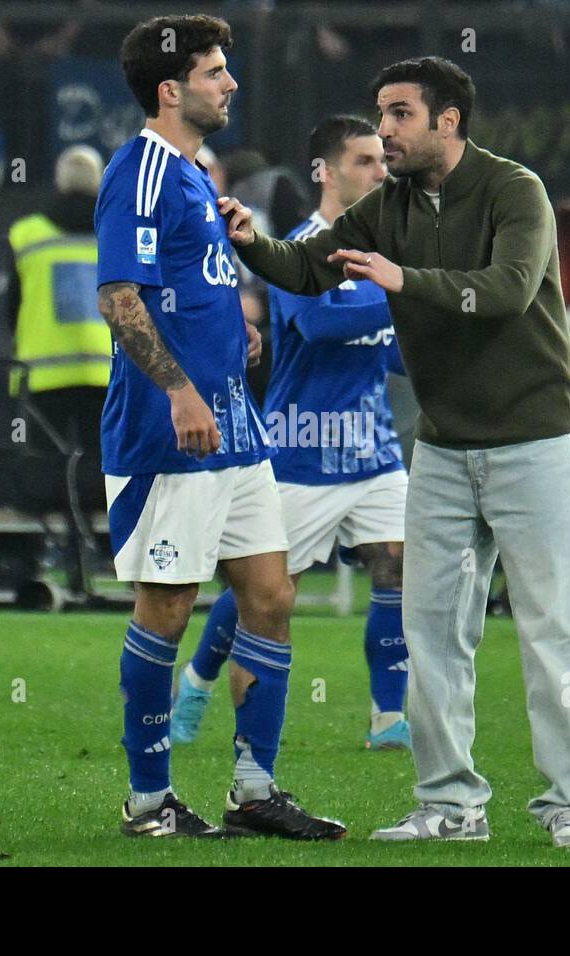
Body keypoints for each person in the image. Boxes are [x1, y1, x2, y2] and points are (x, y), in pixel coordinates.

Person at [219, 56, 570, 848]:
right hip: (442, 446)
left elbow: (505, 289)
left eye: (399, 114)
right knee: (429, 628)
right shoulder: (386, 206)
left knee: (554, 628)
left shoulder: (514, 191)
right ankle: (451, 806)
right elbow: (306, 268)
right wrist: (252, 241)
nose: (384, 131)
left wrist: (403, 278)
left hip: (532, 439)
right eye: (381, 115)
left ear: (448, 121)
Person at [95, 14, 344, 840]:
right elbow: (120, 298)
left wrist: (233, 318)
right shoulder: (136, 172)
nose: (229, 83)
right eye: (213, 72)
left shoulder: (198, 174)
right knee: (166, 606)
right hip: (171, 432)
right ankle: (147, 801)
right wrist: (178, 389)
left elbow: (179, 281)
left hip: (235, 427)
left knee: (270, 598)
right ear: (171, 91)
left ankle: (254, 787)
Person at [170, 114, 412, 751]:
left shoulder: (387, 256)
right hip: (303, 452)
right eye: (364, 160)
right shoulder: (306, 248)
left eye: (382, 160)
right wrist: (411, 296)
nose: (379, 172)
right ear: (325, 172)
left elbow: (387, 352)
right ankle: (196, 680)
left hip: (374, 450)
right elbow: (322, 327)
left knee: (399, 574)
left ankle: (389, 717)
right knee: (266, 592)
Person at [8, 144, 112, 456]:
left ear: (59, 182)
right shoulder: (116, 231)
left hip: (44, 371)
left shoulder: (27, 234)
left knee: (44, 460)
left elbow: (12, 305)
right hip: (106, 368)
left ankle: (45, 502)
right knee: (102, 459)